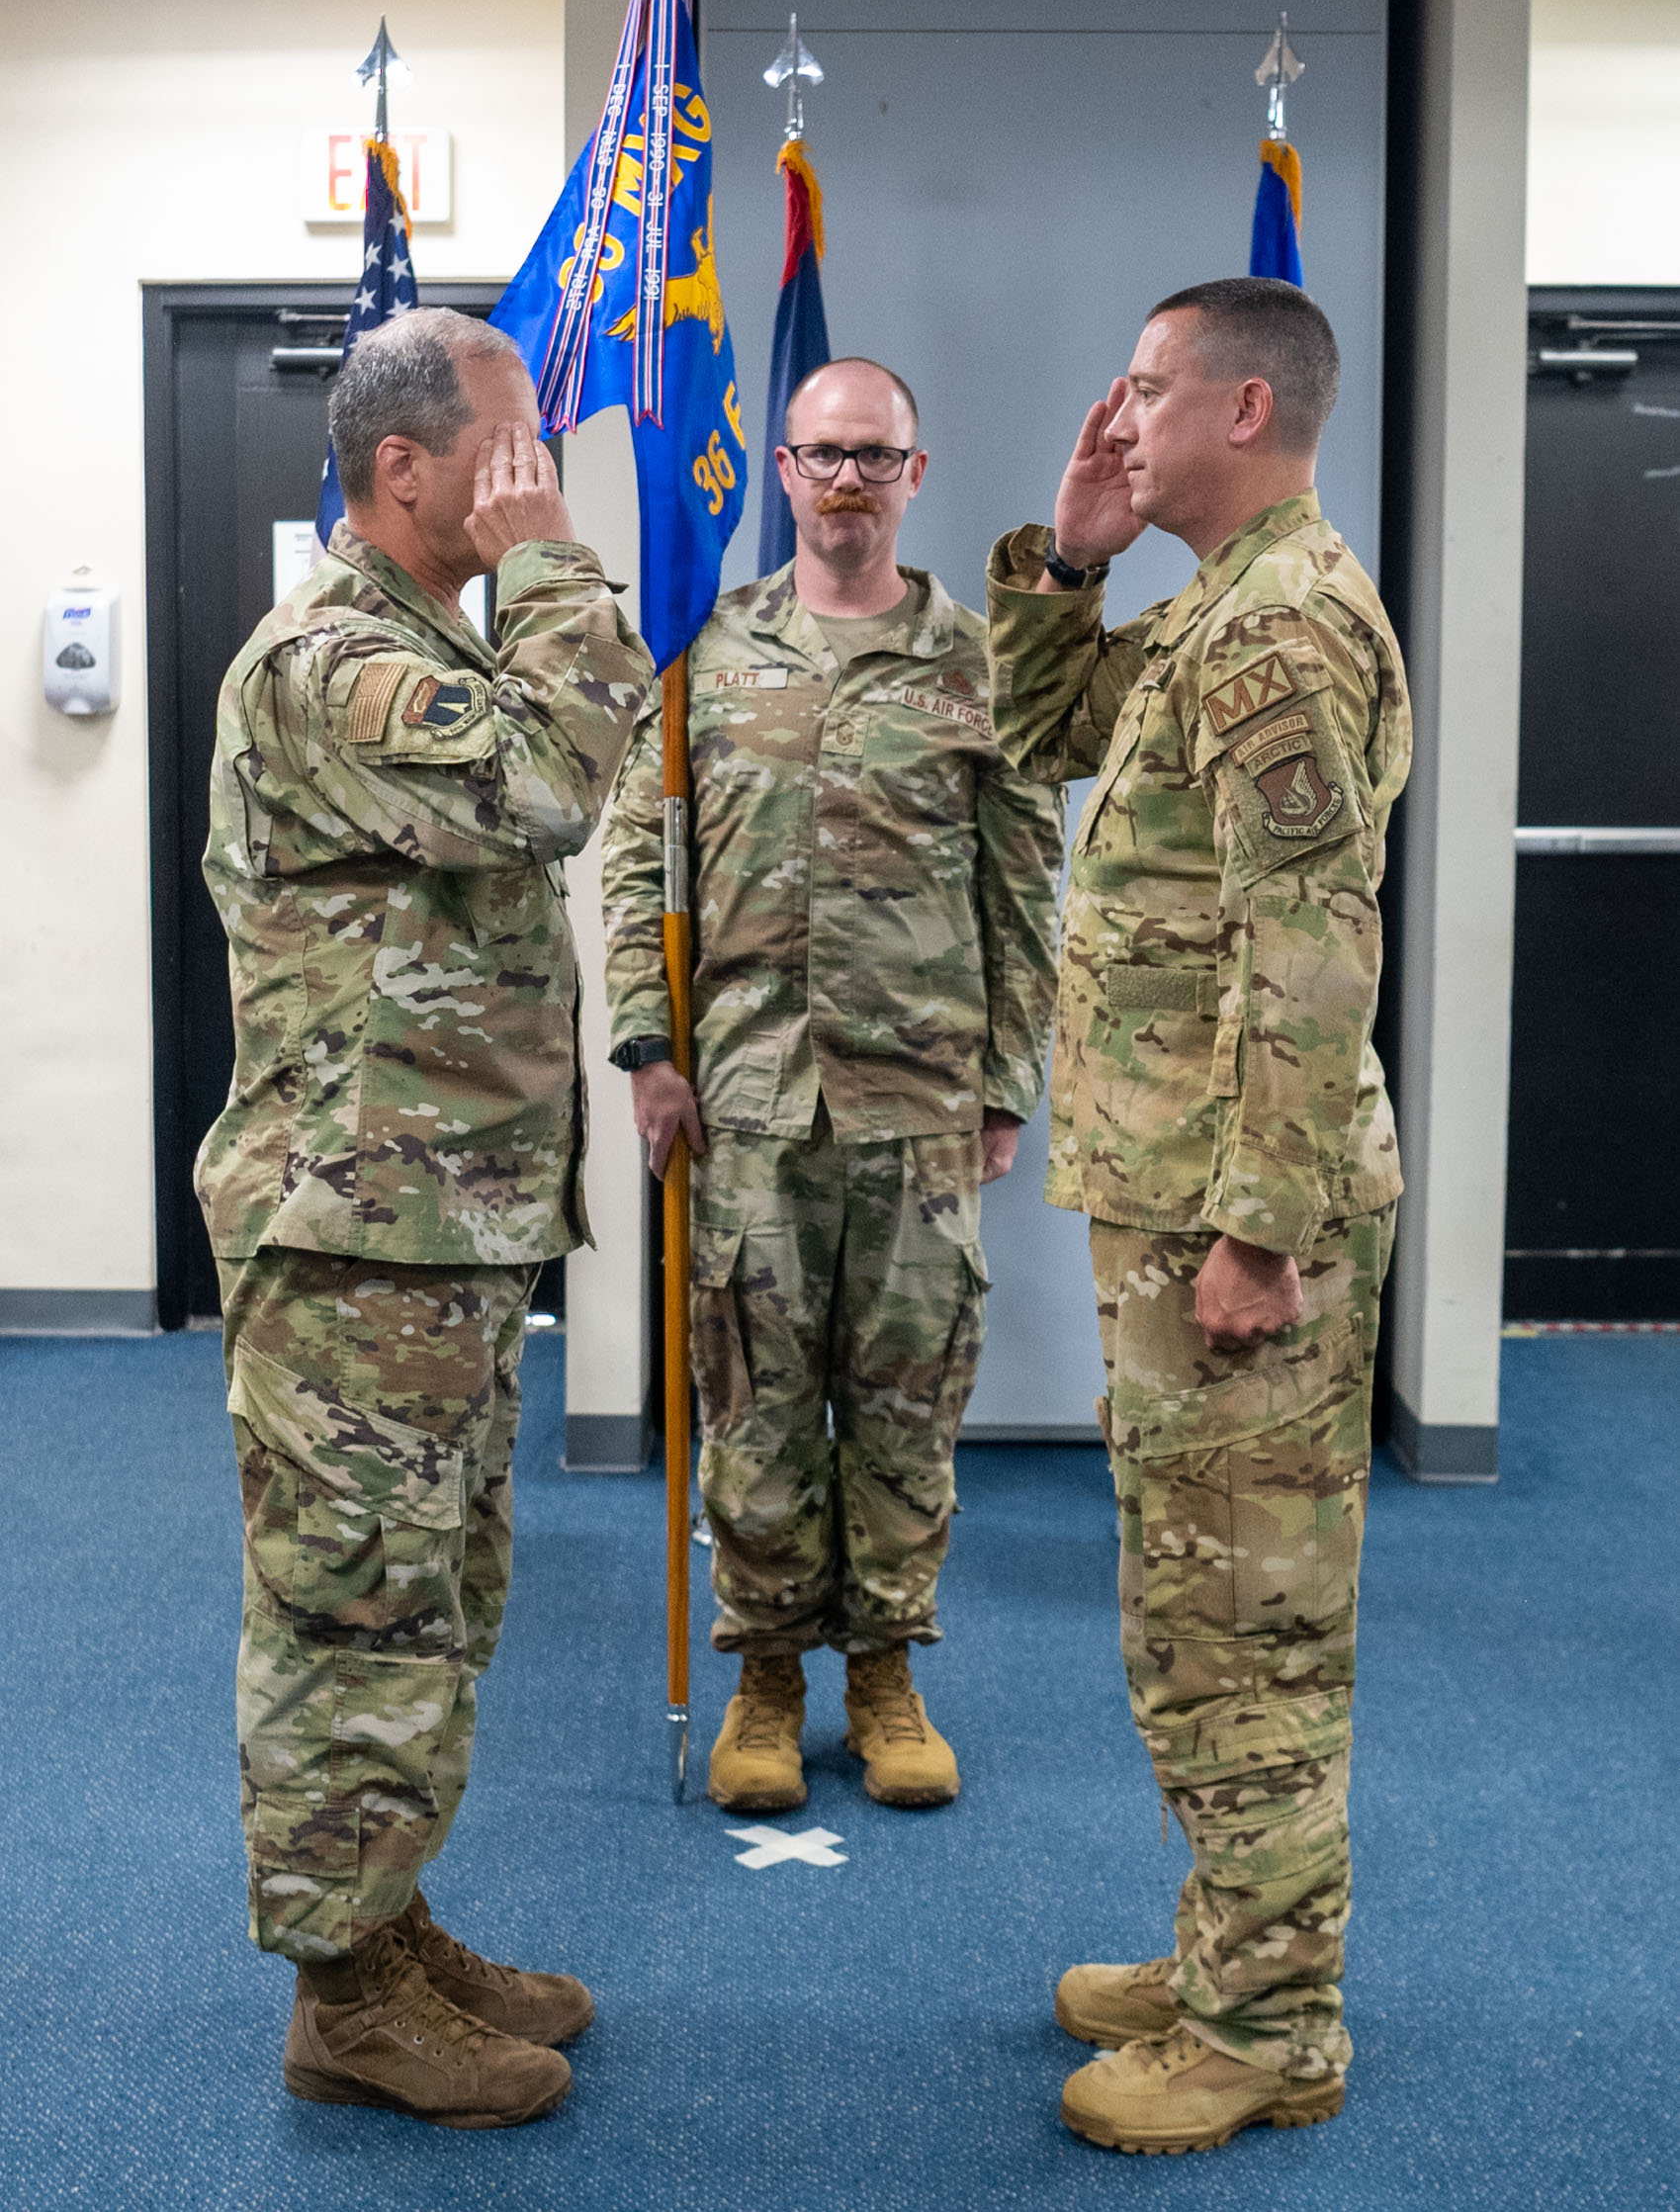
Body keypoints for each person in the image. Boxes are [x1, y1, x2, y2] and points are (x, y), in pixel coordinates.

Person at [196, 308, 653, 2127]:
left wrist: (517, 575)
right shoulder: (332, 664)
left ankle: (384, 1926)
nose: (531, 472)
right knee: (352, 1611)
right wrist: (555, 568)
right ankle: (340, 1995)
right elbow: (556, 783)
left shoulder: (413, 641)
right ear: (409, 470)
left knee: (434, 1598)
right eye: (511, 445)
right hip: (355, 1237)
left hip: (432, 1232)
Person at [986, 279, 1410, 2156]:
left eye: (1149, 390)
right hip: (1178, 1191)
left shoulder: (1286, 634)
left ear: (1246, 411)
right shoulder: (1222, 610)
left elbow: (1314, 955)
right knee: (1192, 1602)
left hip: (1237, 1214)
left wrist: (1260, 1230)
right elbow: (1046, 741)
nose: (1119, 413)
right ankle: (1232, 1945)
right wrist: (1065, 562)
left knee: (1244, 1624)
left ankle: (1272, 2026)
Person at [601, 357, 1062, 1814]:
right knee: (752, 1400)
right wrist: (647, 1048)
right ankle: (764, 1678)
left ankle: (885, 1675)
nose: (849, 479)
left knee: (907, 1403)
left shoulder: (981, 665)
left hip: (919, 1105)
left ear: (916, 475)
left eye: (877, 455)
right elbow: (637, 858)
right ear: (781, 473)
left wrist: (1007, 1080)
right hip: (744, 1101)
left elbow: (1025, 890)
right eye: (823, 455)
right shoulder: (704, 650)